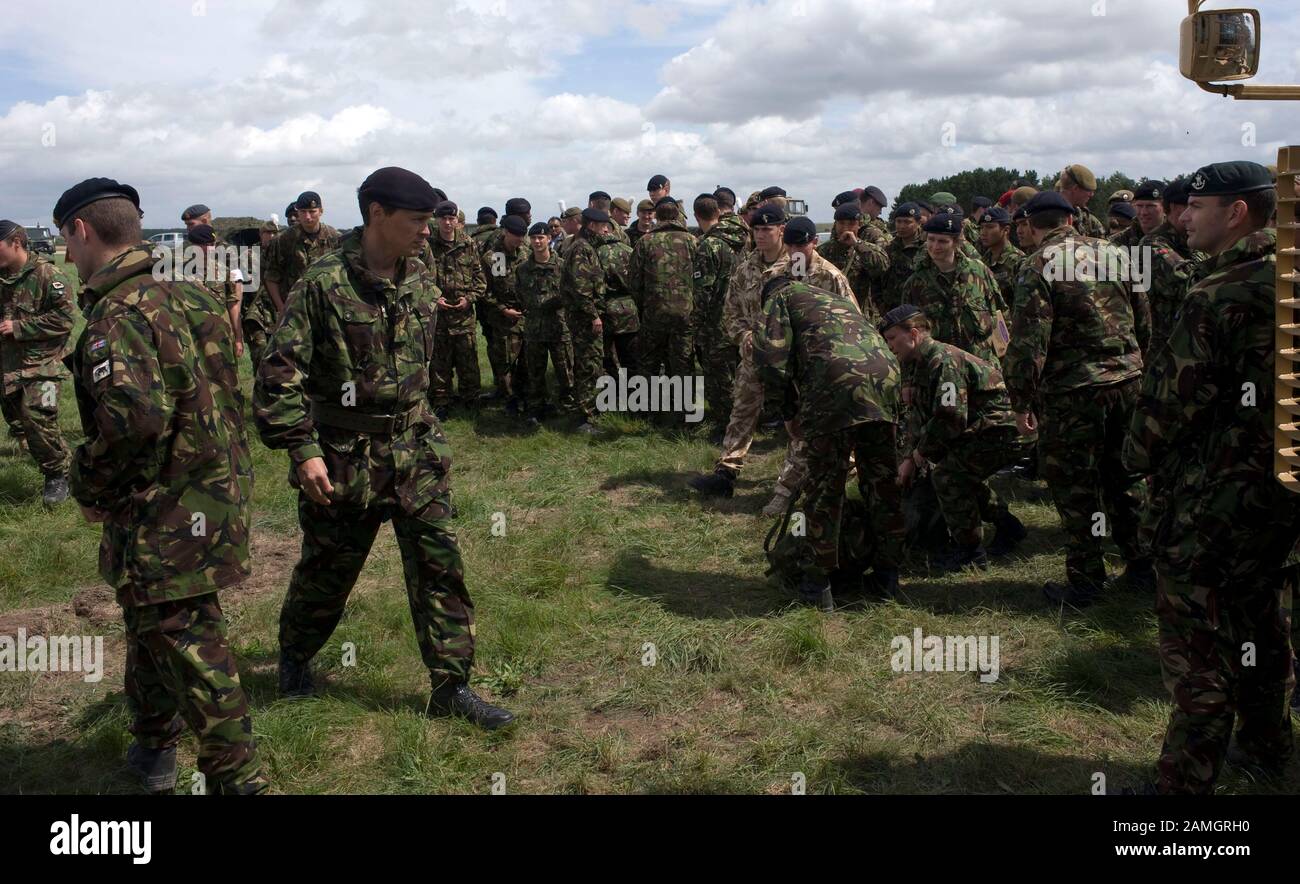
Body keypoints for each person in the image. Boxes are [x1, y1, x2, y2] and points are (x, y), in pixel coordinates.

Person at [254, 166, 514, 730]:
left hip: (416, 452)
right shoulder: (321, 285)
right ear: (377, 215)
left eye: (431, 219)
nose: (429, 230)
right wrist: (303, 450)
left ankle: (452, 685)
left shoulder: (419, 275)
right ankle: (295, 658)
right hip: (345, 456)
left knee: (439, 567)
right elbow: (278, 375)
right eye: (418, 220)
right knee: (327, 571)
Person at [57, 177, 266, 793]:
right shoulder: (193, 295)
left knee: (187, 639)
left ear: (82, 231)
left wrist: (89, 487)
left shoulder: (116, 316)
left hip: (164, 511)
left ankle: (238, 778)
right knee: (147, 621)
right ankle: (154, 745)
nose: (67, 257)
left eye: (68, 241)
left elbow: (134, 424)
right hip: (216, 493)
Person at [1124, 160, 1300, 794]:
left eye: (1198, 206)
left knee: (1198, 642)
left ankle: (1182, 788)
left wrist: (1136, 458)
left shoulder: (1221, 292)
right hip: (1280, 491)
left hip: (1213, 496)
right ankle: (1267, 747)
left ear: (1238, 212)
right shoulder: (1288, 273)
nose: (1184, 216)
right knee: (1259, 621)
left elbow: (1167, 410)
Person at [1004, 191, 1150, 606]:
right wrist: (1137, 364)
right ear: (1071, 218)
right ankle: (1143, 565)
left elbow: (1030, 341)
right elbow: (1144, 316)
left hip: (1074, 393)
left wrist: (1020, 401)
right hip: (1126, 382)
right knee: (1126, 477)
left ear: (1030, 226)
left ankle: (1086, 581)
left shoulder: (1036, 264)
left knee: (1075, 487)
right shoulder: (1116, 253)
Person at [754, 276, 904, 609]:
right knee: (882, 484)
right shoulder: (835, 300)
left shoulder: (780, 298)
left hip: (835, 385)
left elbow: (771, 358)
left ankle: (817, 584)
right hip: (885, 378)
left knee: (825, 488)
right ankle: (887, 576)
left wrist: (786, 412)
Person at [880, 305, 1028, 570]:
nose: (889, 345)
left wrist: (919, 454)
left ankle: (969, 551)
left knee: (947, 475)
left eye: (892, 338)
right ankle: (1008, 526)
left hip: (1003, 430)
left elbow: (951, 416)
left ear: (913, 334)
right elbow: (918, 418)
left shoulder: (942, 359)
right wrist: (909, 457)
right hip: (978, 429)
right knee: (956, 470)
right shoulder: (915, 365)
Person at [0, 220, 74, 505]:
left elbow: (65, 319)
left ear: (15, 243)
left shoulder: (48, 275)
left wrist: (19, 327)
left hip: (41, 363)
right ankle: (26, 441)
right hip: (7, 363)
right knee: (17, 416)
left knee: (38, 417)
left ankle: (57, 475)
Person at [629, 197, 697, 426]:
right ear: (677, 215)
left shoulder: (645, 242)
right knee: (682, 364)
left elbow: (634, 281)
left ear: (657, 216)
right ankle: (685, 414)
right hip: (685, 314)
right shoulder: (691, 241)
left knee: (648, 362)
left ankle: (646, 412)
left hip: (653, 313)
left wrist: (645, 305)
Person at [425, 200, 487, 417]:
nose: (447, 223)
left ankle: (471, 398)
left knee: (468, 360)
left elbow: (480, 280)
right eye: (443, 218)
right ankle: (441, 400)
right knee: (439, 362)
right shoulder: (427, 245)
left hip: (463, 315)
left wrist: (469, 299)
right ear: (437, 219)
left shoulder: (468, 244)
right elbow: (418, 278)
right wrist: (434, 297)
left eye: (451, 218)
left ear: (457, 220)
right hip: (439, 315)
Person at [516, 222, 573, 424]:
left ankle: (568, 406)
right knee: (535, 372)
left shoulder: (563, 266)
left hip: (559, 326)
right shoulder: (523, 269)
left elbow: (571, 293)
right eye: (534, 238)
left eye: (541, 238)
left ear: (549, 239)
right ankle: (536, 408)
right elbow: (519, 294)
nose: (537, 242)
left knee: (566, 371)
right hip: (534, 328)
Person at [561, 207, 608, 433]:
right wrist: (594, 316)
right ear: (591, 226)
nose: (605, 229)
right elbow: (581, 289)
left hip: (584, 316)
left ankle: (589, 410)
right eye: (602, 225)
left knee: (590, 363)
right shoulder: (581, 248)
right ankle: (586, 417)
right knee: (589, 365)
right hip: (584, 319)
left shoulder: (584, 246)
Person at [479, 214, 530, 410]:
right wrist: (502, 309)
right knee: (505, 359)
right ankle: (509, 398)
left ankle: (525, 395)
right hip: (503, 317)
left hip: (525, 314)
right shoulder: (493, 258)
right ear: (506, 233)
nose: (520, 239)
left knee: (527, 359)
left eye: (522, 236)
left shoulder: (526, 253)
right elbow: (485, 289)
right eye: (516, 235)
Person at [263, 191, 341, 318]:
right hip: (295, 311)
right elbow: (271, 277)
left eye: (312, 211)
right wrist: (281, 308)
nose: (308, 217)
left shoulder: (334, 238)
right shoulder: (284, 240)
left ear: (321, 211)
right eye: (303, 212)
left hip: (328, 309)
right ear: (298, 212)